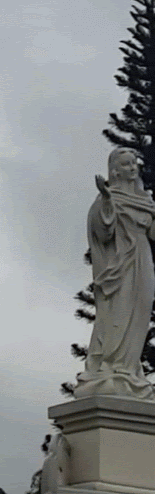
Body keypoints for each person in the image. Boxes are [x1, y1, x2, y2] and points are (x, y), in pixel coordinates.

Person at [75, 147, 155, 400]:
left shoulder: (145, 200)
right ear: (115, 169)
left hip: (143, 259)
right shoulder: (107, 199)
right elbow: (103, 232)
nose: (132, 168)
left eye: (134, 163)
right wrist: (108, 201)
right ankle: (110, 367)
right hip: (120, 264)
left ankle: (130, 369)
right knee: (119, 313)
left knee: (141, 310)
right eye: (126, 163)